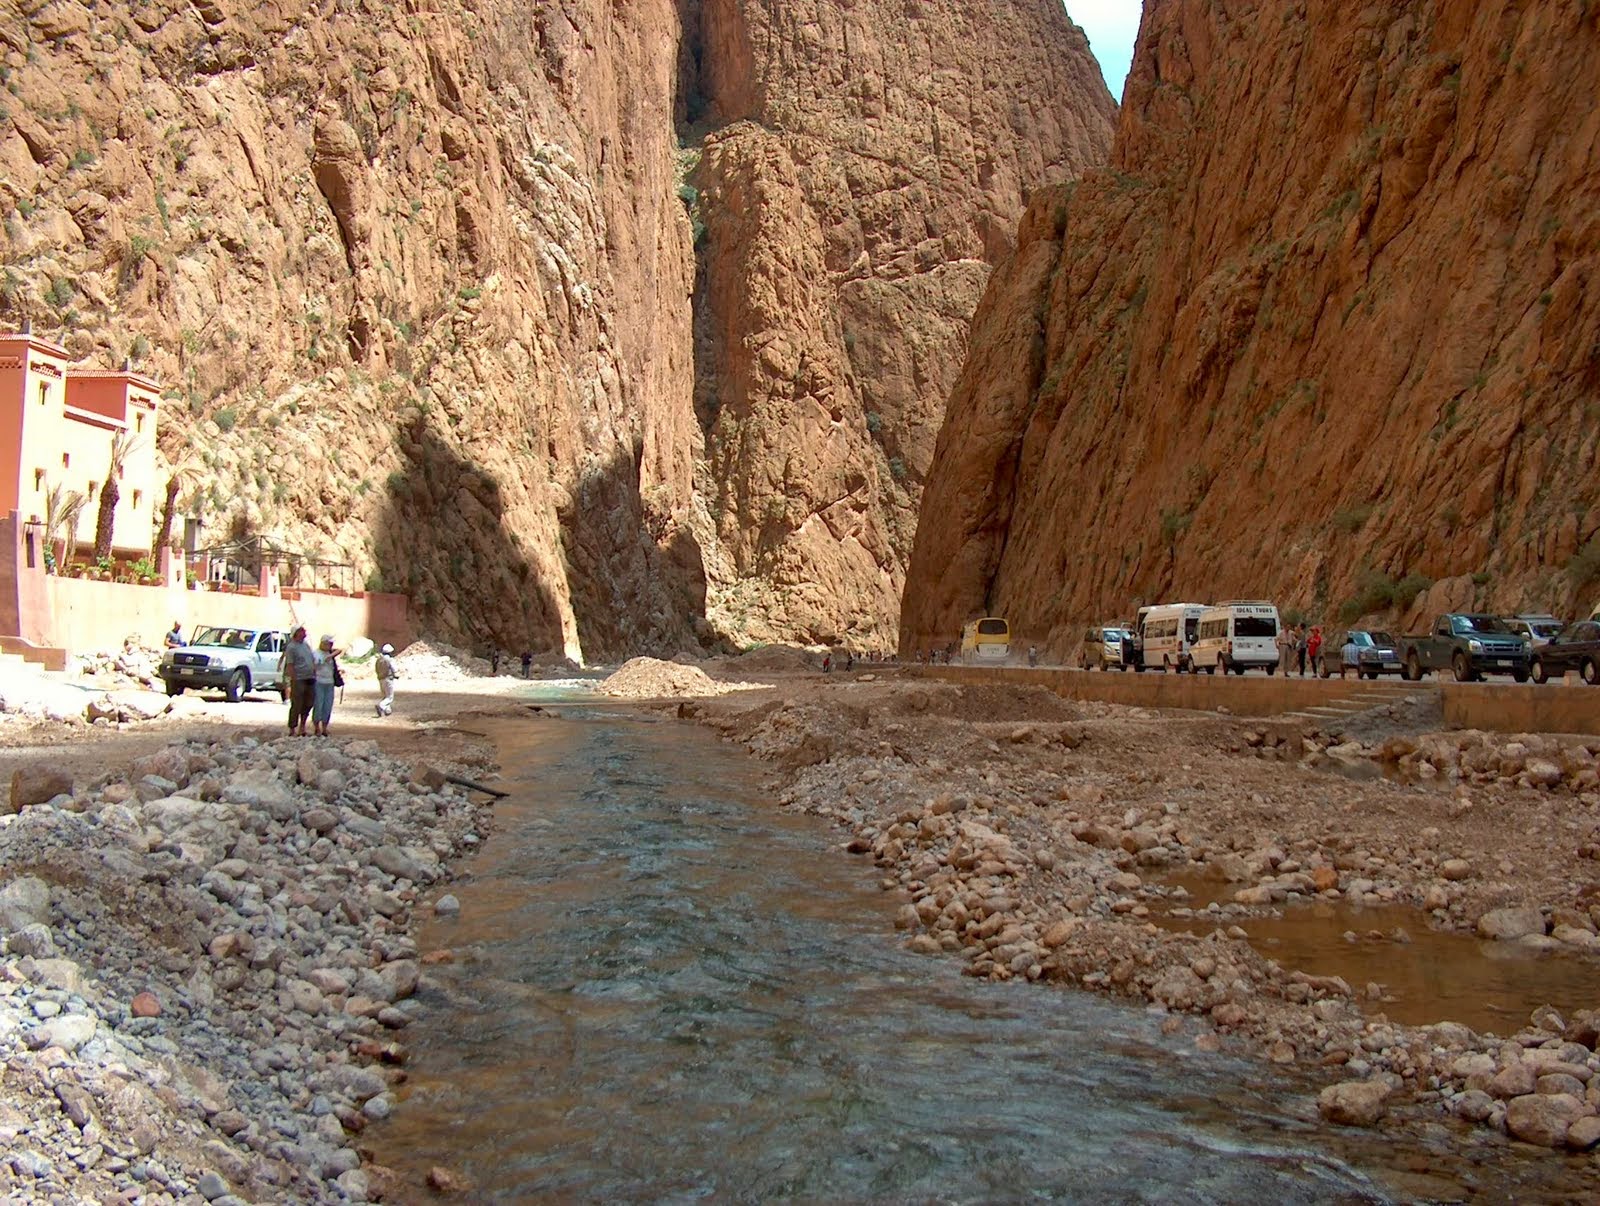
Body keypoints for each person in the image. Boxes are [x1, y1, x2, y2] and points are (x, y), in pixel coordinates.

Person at [280, 626, 317, 736]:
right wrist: (293, 678)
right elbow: (290, 664)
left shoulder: (305, 645)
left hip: (310, 677)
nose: (304, 632)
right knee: (297, 704)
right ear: (296, 633)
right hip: (299, 678)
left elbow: (311, 659)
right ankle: (292, 727)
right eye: (301, 631)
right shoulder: (291, 647)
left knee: (309, 702)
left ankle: (303, 726)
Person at [311, 634, 342, 737]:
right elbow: (314, 667)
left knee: (327, 705)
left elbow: (340, 650)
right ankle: (316, 726)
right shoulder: (315, 654)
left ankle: (325, 727)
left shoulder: (330, 653)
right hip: (319, 681)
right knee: (318, 705)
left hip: (330, 682)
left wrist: (330, 656)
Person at [375, 643, 398, 717]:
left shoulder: (379, 660)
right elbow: (394, 668)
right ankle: (381, 706)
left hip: (380, 679)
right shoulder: (389, 659)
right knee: (389, 697)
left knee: (385, 696)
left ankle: (387, 710)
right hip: (388, 678)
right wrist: (396, 675)